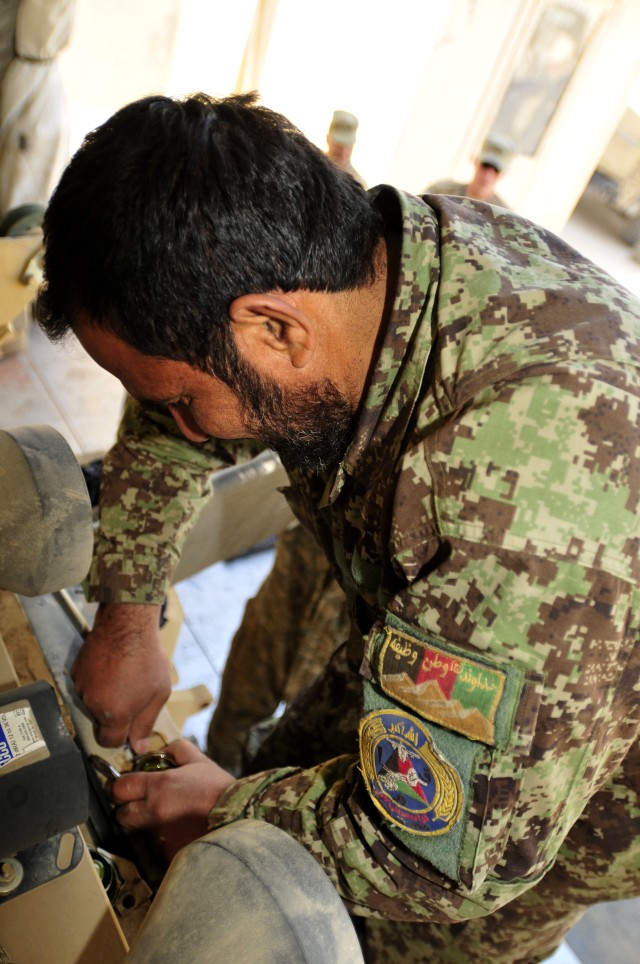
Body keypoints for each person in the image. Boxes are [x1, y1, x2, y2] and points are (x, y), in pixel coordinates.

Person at [36, 91, 640, 963]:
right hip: (459, 645)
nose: (187, 429)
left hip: (576, 801)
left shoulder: (520, 509)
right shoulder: (357, 267)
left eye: (181, 400)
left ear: (276, 330)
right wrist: (128, 613)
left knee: (381, 942)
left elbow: (453, 858)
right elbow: (173, 421)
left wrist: (226, 811)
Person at [425, 134, 514, 206]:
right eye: (485, 165)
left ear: (503, 174)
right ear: (475, 161)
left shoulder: (505, 219)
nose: (488, 175)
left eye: (496, 170)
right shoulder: (439, 192)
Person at [326, 108, 367, 187]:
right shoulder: (310, 166)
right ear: (327, 139)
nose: (343, 152)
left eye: (348, 147)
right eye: (339, 146)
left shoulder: (359, 185)